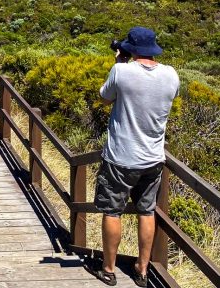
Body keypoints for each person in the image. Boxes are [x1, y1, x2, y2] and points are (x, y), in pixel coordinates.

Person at [86, 26, 179, 287]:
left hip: (121, 158)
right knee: (146, 211)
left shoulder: (121, 71)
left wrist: (119, 63)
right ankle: (142, 269)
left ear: (131, 49)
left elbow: (104, 98)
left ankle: (109, 270)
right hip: (153, 159)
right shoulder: (171, 74)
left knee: (112, 212)